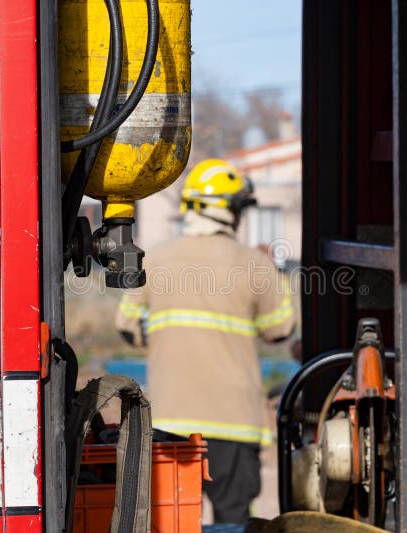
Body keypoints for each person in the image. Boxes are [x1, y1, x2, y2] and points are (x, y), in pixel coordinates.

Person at [115, 159, 295, 524]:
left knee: (173, 519)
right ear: (228, 212)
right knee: (233, 521)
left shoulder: (157, 260)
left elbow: (127, 325)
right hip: (234, 422)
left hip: (170, 421)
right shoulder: (253, 264)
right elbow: (281, 328)